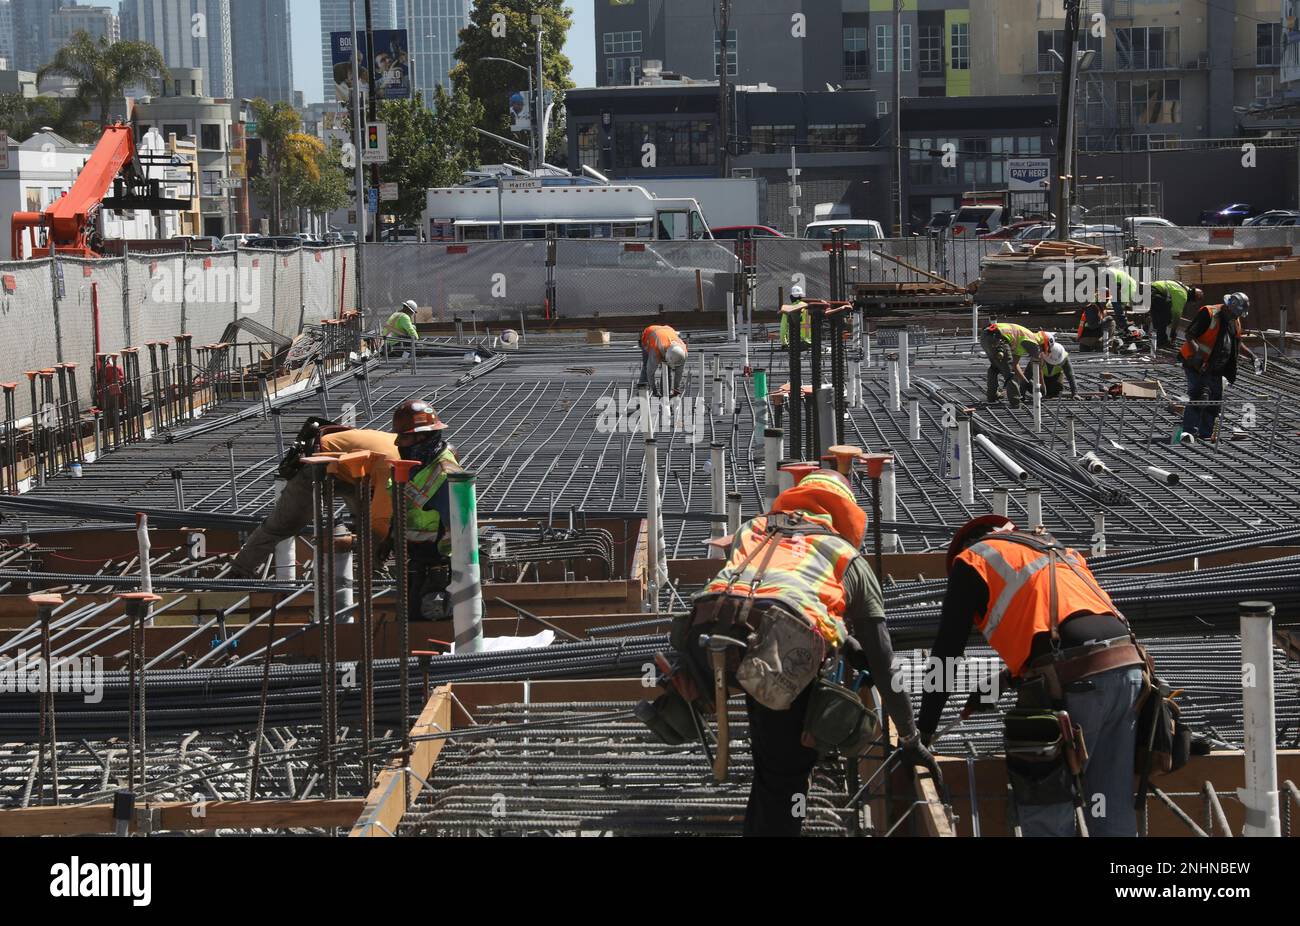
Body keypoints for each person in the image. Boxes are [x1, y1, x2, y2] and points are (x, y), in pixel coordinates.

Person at [695, 469, 937, 836]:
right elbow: (884, 662)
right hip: (785, 660)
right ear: (844, 515)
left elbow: (771, 587)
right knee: (786, 776)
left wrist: (843, 642)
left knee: (770, 770)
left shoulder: (752, 528)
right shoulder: (846, 556)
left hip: (716, 636)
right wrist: (910, 737)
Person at [918, 515, 1146, 837]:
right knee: (1109, 803)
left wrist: (924, 731)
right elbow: (1063, 627)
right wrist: (1003, 681)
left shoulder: (972, 560)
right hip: (1129, 671)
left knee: (1046, 801)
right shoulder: (1059, 551)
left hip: (1077, 683)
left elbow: (946, 654)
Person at [230, 418, 400, 579]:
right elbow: (380, 521)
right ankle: (239, 573)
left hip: (355, 472)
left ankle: (373, 571)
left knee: (368, 521)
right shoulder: (391, 464)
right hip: (318, 463)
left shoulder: (404, 450)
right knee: (283, 524)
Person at [393, 399, 462, 621]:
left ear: (423, 439)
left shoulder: (445, 474)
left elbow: (462, 531)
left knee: (426, 629)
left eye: (404, 437)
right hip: (417, 562)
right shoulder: (418, 467)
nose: (398, 443)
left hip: (440, 571)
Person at [1178, 291, 1260, 444]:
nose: (1237, 317)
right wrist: (1197, 355)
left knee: (1215, 400)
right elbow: (1190, 334)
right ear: (1229, 307)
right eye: (1236, 313)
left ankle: (1205, 434)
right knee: (1199, 396)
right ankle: (1188, 433)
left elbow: (1238, 342)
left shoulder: (1234, 320)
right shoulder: (1209, 313)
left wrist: (1252, 356)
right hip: (1197, 363)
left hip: (1217, 367)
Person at [979, 322, 1041, 406]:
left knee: (995, 368)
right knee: (1010, 373)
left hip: (985, 336)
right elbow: (1037, 361)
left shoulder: (1020, 342)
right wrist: (1039, 386)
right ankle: (1015, 400)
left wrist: (1026, 382)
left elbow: (1015, 364)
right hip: (998, 338)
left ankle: (992, 395)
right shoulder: (1032, 339)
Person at [639, 324, 688, 398]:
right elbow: (650, 373)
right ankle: (642, 394)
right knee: (647, 366)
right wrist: (654, 390)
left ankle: (665, 396)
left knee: (668, 369)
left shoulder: (683, 353)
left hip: (667, 332)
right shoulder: (655, 351)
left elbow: (679, 372)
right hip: (649, 334)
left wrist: (676, 389)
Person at [1150, 281, 1202, 350]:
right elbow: (1177, 313)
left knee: (1163, 315)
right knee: (1165, 315)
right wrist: (1173, 331)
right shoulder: (1182, 294)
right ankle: (1161, 341)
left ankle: (1158, 336)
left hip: (1151, 291)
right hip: (1153, 293)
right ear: (1192, 297)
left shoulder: (1182, 287)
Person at [1041, 334, 1078, 399]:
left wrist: (1075, 393)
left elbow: (1070, 376)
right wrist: (1022, 395)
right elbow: (1028, 374)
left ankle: (1050, 393)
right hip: (1040, 380)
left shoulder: (1064, 358)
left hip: (1055, 380)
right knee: (1031, 385)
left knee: (1056, 390)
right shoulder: (1040, 356)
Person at [780, 285, 811, 350]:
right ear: (801, 296)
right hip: (811, 343)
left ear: (791, 297)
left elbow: (783, 329)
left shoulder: (788, 309)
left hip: (795, 343)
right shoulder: (809, 308)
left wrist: (784, 343)